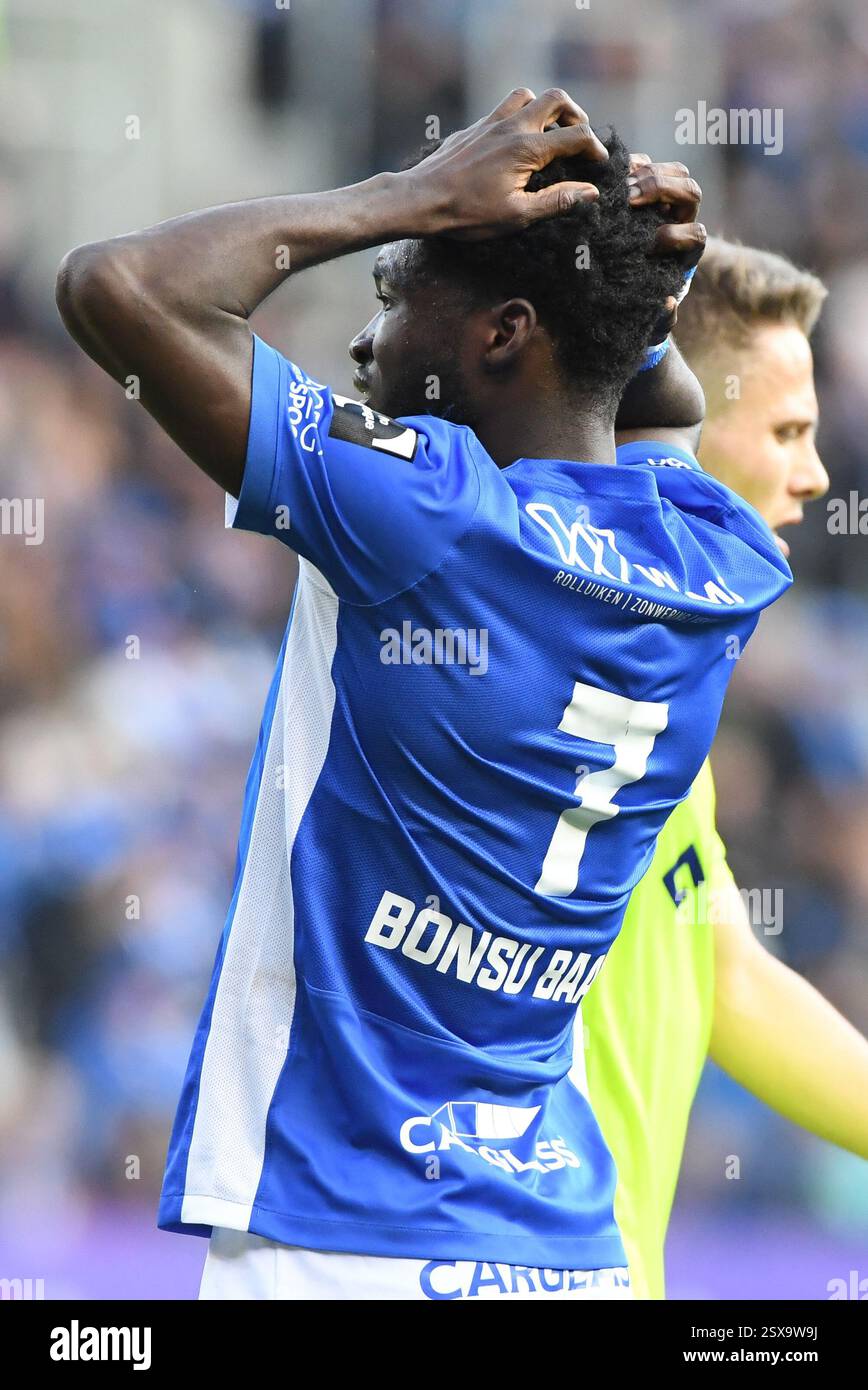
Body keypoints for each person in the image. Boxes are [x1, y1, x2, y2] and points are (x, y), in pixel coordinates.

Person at [55, 89, 790, 1301]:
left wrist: (409, 198)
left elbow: (113, 288)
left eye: (394, 298)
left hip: (339, 1230)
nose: (361, 338)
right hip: (563, 1247)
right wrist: (606, 268)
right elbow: (659, 410)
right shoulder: (714, 551)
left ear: (499, 336)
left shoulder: (429, 514)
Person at [586, 235, 868, 1301]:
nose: (815, 473)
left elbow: (731, 983)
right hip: (504, 1263)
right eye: (788, 433)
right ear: (683, 436)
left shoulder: (664, 719)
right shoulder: (571, 694)